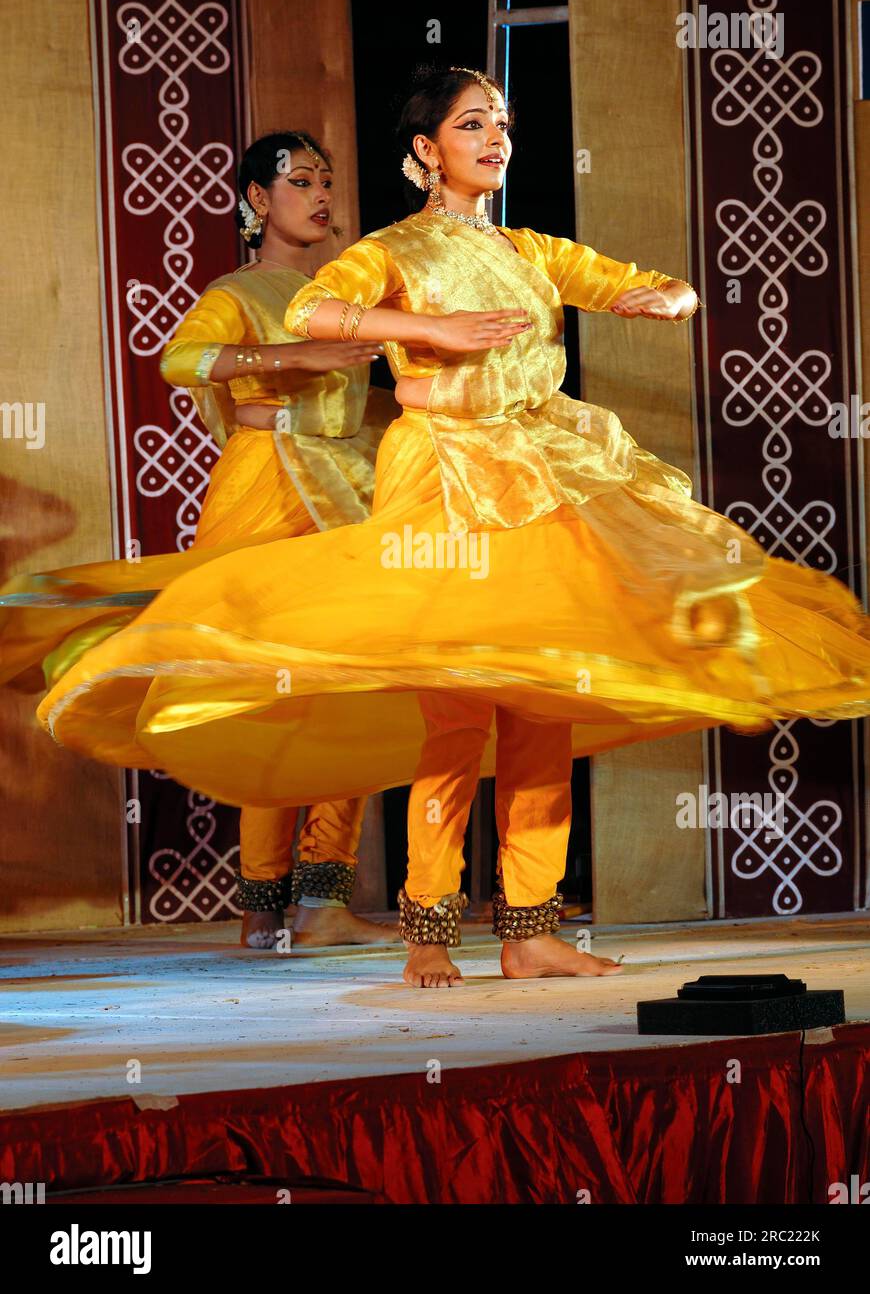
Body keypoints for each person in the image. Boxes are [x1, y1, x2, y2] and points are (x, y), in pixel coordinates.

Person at [34, 68, 870, 989]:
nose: (496, 138)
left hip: (543, 470)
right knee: (458, 704)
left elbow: (640, 283)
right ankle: (426, 933)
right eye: (473, 125)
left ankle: (530, 930)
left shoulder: (529, 247)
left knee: (544, 696)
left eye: (503, 123)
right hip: (444, 480)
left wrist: (659, 297)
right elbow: (315, 312)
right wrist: (432, 337)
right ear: (427, 152)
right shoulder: (394, 249)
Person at [0, 130, 399, 951]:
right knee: (262, 689)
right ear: (258, 200)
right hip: (268, 493)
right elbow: (181, 360)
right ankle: (261, 907)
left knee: (351, 683)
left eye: (326, 180)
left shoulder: (344, 288)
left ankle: (323, 902)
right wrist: (298, 354)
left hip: (346, 493)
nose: (320, 194)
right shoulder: (240, 290)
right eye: (299, 180)